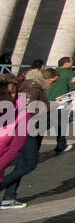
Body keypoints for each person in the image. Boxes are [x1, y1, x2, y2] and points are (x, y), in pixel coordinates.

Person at [0, 68, 50, 208]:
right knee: (27, 163)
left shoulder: (21, 99)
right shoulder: (33, 88)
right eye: (4, 93)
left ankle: (8, 196)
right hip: (26, 131)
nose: (9, 96)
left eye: (12, 93)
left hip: (23, 131)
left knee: (24, 163)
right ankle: (8, 195)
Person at [44, 58, 75, 154]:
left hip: (45, 100)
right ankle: (61, 145)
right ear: (66, 63)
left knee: (44, 122)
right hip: (60, 101)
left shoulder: (51, 72)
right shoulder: (69, 73)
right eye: (71, 62)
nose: (72, 63)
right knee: (61, 123)